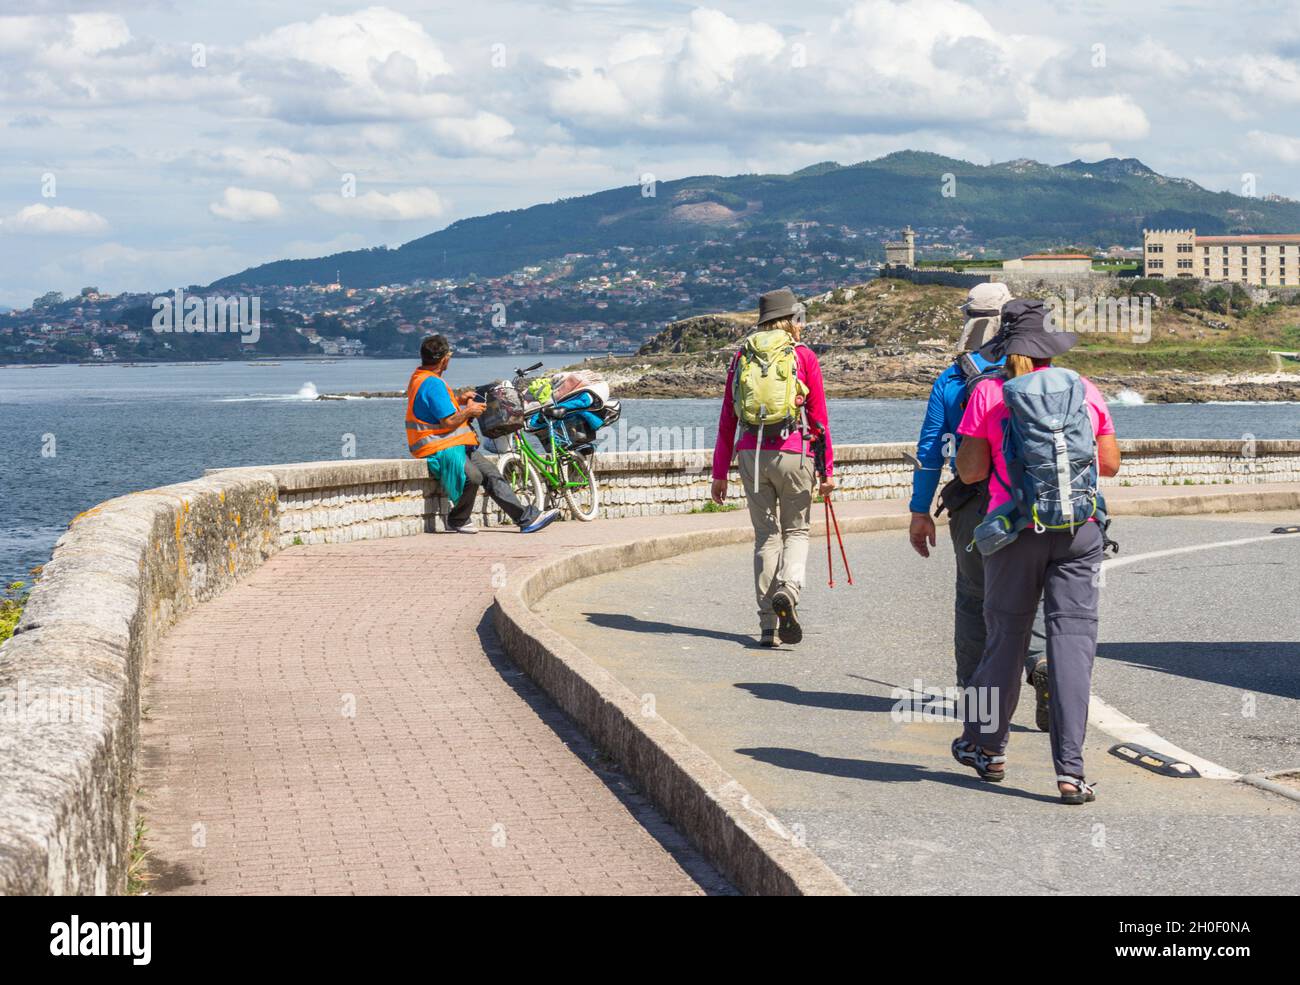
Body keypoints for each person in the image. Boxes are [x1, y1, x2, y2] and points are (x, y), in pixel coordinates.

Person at [950, 300, 1121, 804]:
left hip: (1013, 533)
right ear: (1051, 347)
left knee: (1003, 641)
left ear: (1008, 346)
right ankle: (1071, 773)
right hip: (1080, 531)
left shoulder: (987, 392)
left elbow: (971, 473)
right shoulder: (1083, 389)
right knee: (1072, 648)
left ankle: (987, 747)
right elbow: (1108, 465)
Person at [908, 284, 1052, 731]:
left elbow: (932, 449)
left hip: (974, 505)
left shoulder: (954, 378)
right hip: (1032, 501)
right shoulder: (1035, 368)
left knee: (975, 602)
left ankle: (978, 707)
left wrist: (920, 511)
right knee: (1032, 591)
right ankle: (1041, 660)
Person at [710, 288, 834, 647]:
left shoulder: (741, 358)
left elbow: (726, 421)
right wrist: (826, 472)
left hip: (751, 454)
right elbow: (820, 419)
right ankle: (790, 590)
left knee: (766, 536)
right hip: (794, 453)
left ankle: (767, 625)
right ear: (791, 319)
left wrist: (719, 473)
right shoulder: (803, 356)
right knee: (795, 531)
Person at [405, 334, 560, 534]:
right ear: (445, 359)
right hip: (439, 446)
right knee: (474, 477)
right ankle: (458, 519)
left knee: (492, 475)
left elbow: (434, 411)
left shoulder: (421, 377)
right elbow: (448, 421)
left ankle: (526, 518)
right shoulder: (433, 383)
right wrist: (470, 411)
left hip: (453, 443)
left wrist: (460, 400)